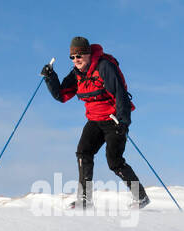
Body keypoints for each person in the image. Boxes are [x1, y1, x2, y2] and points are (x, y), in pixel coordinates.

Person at [40, 37, 151, 210]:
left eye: (80, 55)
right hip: (94, 120)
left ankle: (141, 197)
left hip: (113, 120)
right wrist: (50, 77)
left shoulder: (104, 67)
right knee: (83, 153)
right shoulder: (76, 73)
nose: (76, 59)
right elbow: (62, 95)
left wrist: (123, 121)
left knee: (114, 162)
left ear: (88, 53)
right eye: (72, 56)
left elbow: (120, 93)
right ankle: (85, 200)